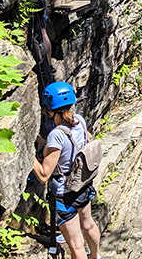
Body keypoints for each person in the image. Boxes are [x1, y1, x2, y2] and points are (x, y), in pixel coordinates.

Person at [33, 82, 102, 259]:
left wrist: (26, 153)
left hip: (65, 193)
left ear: (49, 110)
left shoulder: (56, 135)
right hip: (83, 184)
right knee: (88, 225)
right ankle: (95, 256)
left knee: (77, 246)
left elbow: (43, 175)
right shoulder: (79, 120)